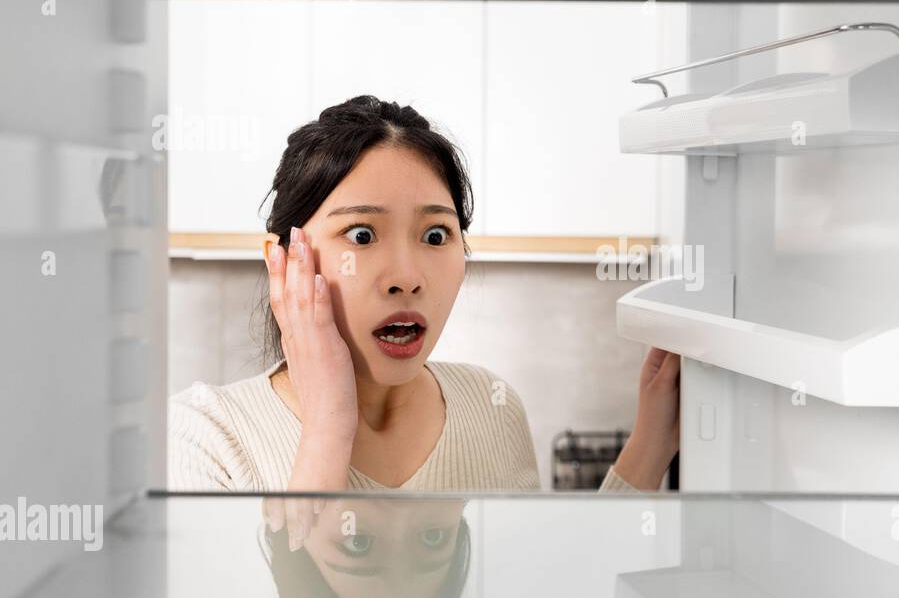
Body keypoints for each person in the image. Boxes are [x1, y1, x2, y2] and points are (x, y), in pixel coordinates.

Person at [168, 96, 680, 538]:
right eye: (362, 235)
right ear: (283, 261)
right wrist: (328, 426)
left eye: (436, 235)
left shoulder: (492, 408)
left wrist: (651, 443)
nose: (407, 277)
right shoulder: (205, 437)